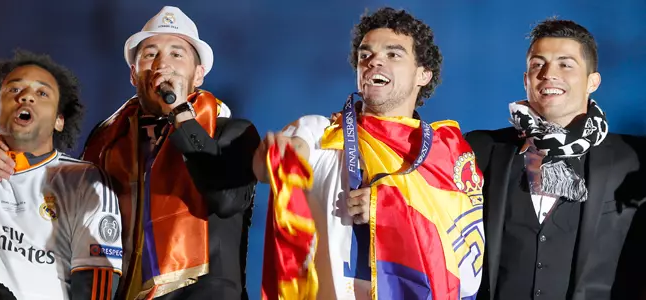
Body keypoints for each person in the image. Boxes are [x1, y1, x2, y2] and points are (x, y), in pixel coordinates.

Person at [0, 6, 259, 300]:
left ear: (199, 74)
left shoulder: (234, 133)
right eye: (150, 54)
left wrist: (180, 113)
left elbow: (227, 198)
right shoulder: (107, 143)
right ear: (133, 73)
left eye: (177, 54)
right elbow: (51, 198)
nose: (162, 64)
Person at [255, 7, 485, 300]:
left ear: (423, 74)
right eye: (366, 55)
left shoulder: (446, 155)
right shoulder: (320, 132)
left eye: (393, 54)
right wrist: (277, 156)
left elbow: (465, 265)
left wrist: (387, 210)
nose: (374, 60)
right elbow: (266, 169)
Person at [465, 18, 646, 300]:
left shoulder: (636, 159)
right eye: (538, 64)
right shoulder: (479, 149)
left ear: (592, 82)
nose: (549, 73)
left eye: (565, 64)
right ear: (526, 80)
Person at [0, 50, 121, 299]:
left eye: (42, 93)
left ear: (59, 120)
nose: (26, 97)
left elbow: (97, 278)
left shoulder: (81, 180)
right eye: (14, 90)